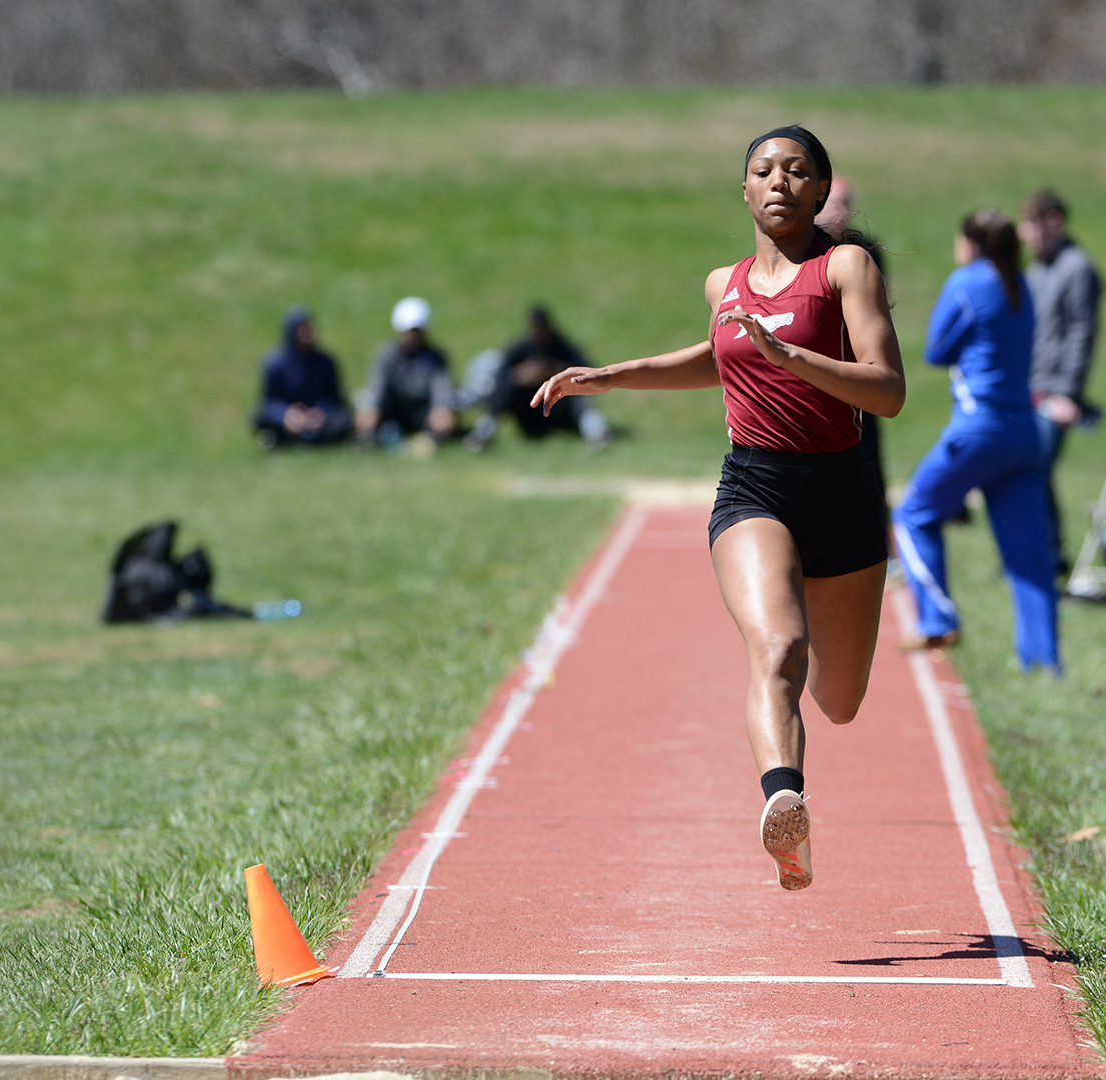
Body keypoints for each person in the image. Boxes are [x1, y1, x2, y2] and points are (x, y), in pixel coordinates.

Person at [529, 126, 904, 892]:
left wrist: (791, 356)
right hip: (755, 488)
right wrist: (612, 376)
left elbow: (889, 390)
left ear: (822, 190)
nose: (779, 182)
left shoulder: (845, 269)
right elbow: (717, 359)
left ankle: (791, 784)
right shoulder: (721, 284)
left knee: (839, 700)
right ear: (743, 189)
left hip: (843, 493)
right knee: (778, 650)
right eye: (763, 170)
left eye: (798, 172)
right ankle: (784, 803)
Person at [891, 209, 1059, 672]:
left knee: (912, 513)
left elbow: (935, 350)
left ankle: (936, 618)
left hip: (979, 426)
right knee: (1027, 553)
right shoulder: (1021, 284)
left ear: (969, 242)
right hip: (1026, 430)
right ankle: (1043, 660)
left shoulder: (966, 282)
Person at [1020, 189, 1103, 579]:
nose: (1026, 234)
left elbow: (1081, 333)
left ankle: (1049, 554)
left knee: (1036, 470)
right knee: (1026, 471)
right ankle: (1035, 552)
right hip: (1028, 389)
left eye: (1032, 224)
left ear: (1054, 220)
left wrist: (1068, 393)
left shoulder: (1076, 268)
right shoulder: (1037, 270)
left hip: (1055, 393)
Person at [817, 177, 890, 496]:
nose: (839, 209)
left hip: (858, 365)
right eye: (834, 201)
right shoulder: (806, 249)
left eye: (845, 202)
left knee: (868, 456)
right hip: (818, 367)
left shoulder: (865, 252)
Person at [467, 307, 612, 451]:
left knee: (580, 392)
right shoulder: (520, 349)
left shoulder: (563, 348)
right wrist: (520, 376)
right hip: (528, 406)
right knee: (506, 389)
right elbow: (499, 378)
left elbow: (589, 373)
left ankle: (598, 434)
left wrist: (553, 373)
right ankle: (482, 435)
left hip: (558, 407)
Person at [356, 297, 457, 447]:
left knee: (444, 418)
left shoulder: (436, 358)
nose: (412, 336)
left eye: (416, 331)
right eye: (408, 331)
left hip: (424, 412)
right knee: (367, 416)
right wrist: (371, 413)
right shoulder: (386, 355)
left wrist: (442, 412)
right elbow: (377, 393)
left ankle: (431, 442)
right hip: (393, 411)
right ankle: (371, 442)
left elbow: (442, 395)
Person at [254, 306, 351, 448]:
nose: (306, 333)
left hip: (318, 419)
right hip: (289, 417)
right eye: (301, 329)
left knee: (344, 419)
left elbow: (335, 397)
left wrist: (321, 412)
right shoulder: (275, 364)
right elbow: (270, 401)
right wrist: (286, 414)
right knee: (258, 417)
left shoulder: (325, 361)